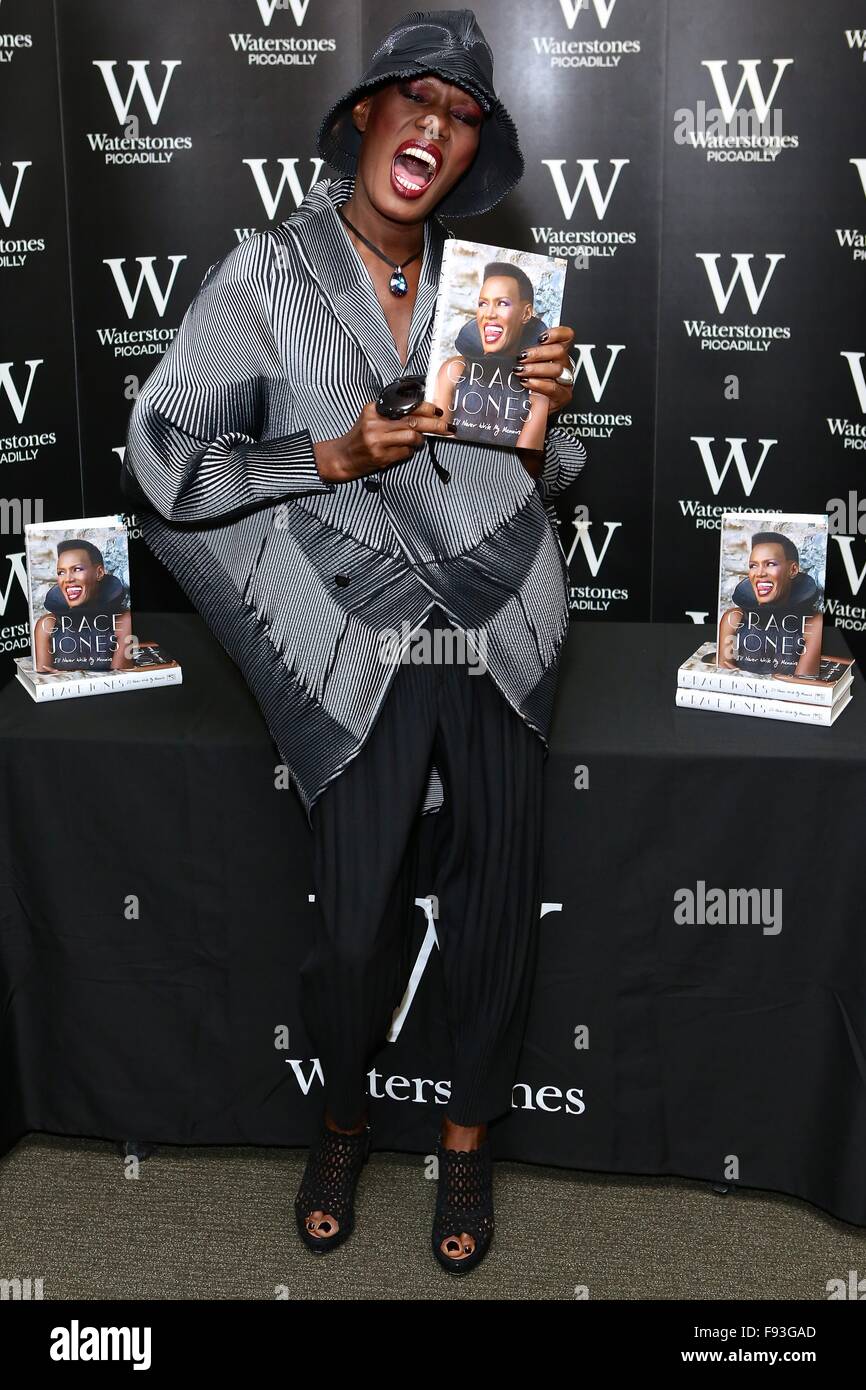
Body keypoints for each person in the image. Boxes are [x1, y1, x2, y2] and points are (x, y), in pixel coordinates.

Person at [121, 8, 586, 1275]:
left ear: (466, 151)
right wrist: (321, 453)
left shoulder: (485, 289)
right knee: (352, 921)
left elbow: (557, 470)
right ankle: (340, 1124)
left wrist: (545, 420)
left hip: (495, 622)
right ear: (364, 120)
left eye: (461, 116)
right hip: (362, 637)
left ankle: (467, 1138)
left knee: (495, 900)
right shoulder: (264, 279)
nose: (433, 128)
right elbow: (160, 455)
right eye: (415, 102)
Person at [433, 261, 551, 448]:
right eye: (483, 303)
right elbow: (438, 449)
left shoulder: (537, 387)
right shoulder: (453, 371)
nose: (489, 314)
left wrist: (541, 401)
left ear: (526, 313)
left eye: (502, 303)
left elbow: (526, 467)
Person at [717, 531, 822, 678]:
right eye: (753, 565)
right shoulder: (733, 619)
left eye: (770, 564)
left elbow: (802, 686)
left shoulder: (813, 623)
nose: (759, 573)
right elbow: (724, 677)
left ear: (792, 570)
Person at [34, 539, 132, 673]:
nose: (68, 579)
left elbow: (120, 680)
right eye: (61, 572)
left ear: (99, 573)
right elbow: (44, 683)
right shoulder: (46, 625)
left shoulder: (124, 621)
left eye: (77, 569)